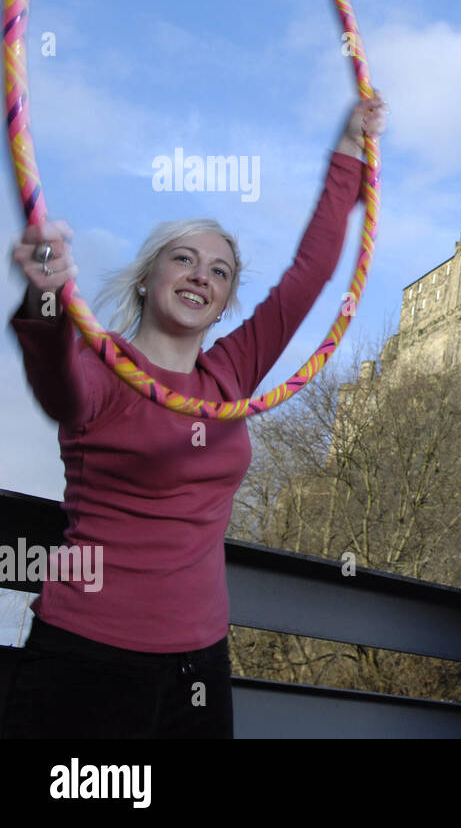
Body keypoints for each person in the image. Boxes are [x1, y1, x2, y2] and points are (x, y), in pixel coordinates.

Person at [1, 94, 386, 738]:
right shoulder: (103, 365)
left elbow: (309, 275)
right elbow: (54, 381)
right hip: (86, 657)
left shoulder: (231, 373)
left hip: (197, 667)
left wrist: (350, 147)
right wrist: (44, 302)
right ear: (148, 278)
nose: (200, 275)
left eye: (219, 271)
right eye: (183, 259)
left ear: (225, 302)